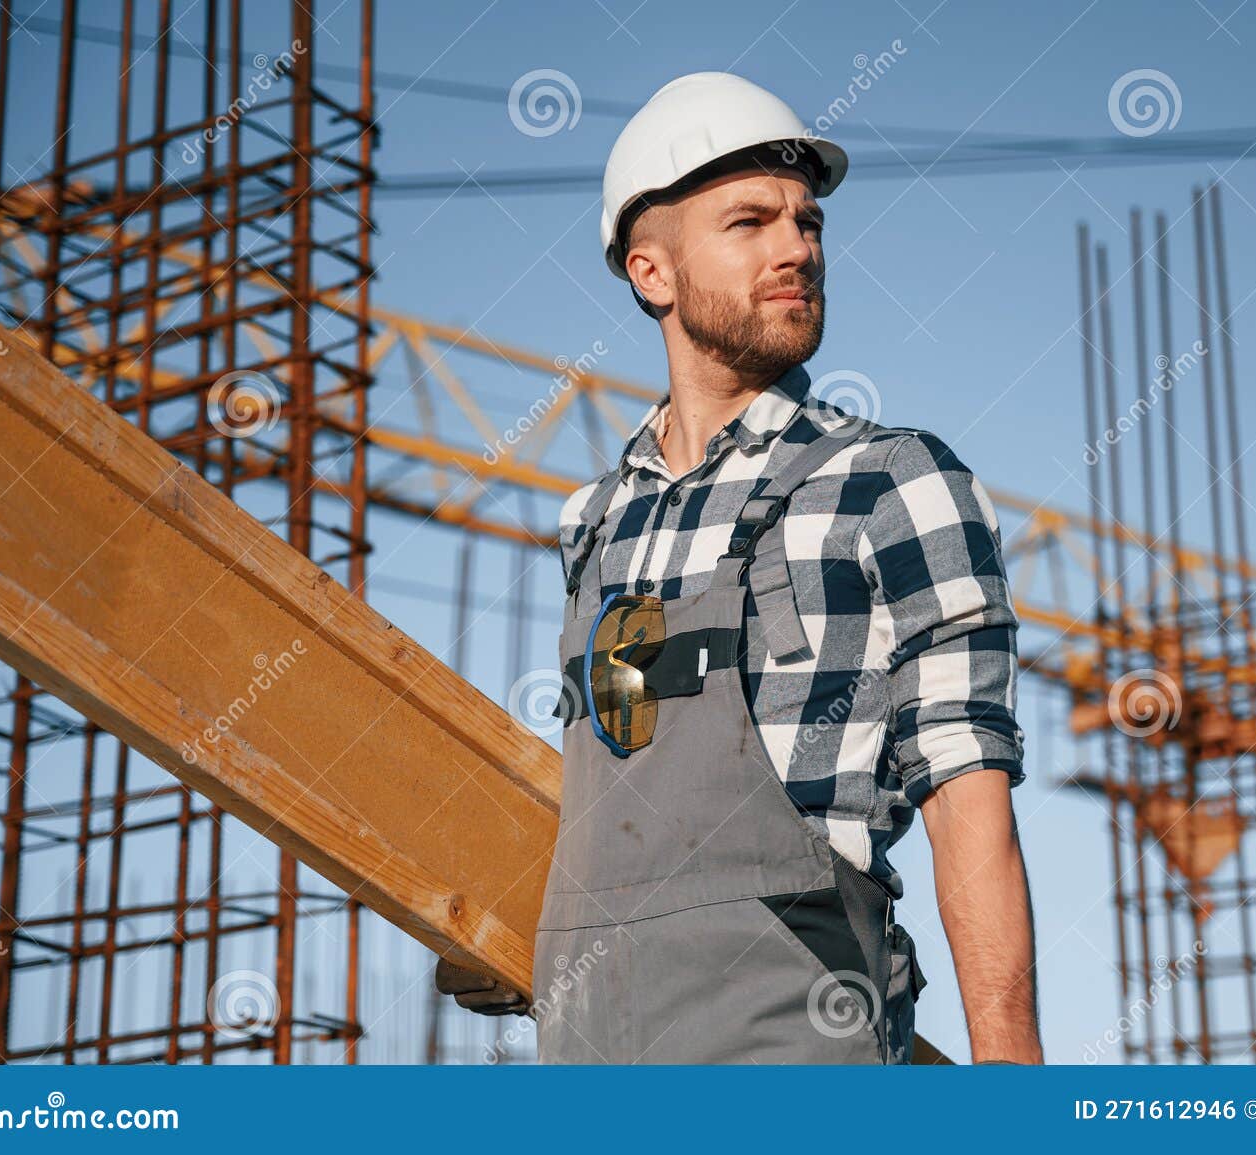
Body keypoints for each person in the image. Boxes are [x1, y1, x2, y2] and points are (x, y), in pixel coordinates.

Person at [436, 71, 1042, 1065]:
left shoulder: (887, 481)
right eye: (750, 222)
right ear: (652, 274)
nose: (797, 248)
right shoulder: (592, 524)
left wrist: (1010, 1081)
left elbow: (970, 810)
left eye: (806, 224)